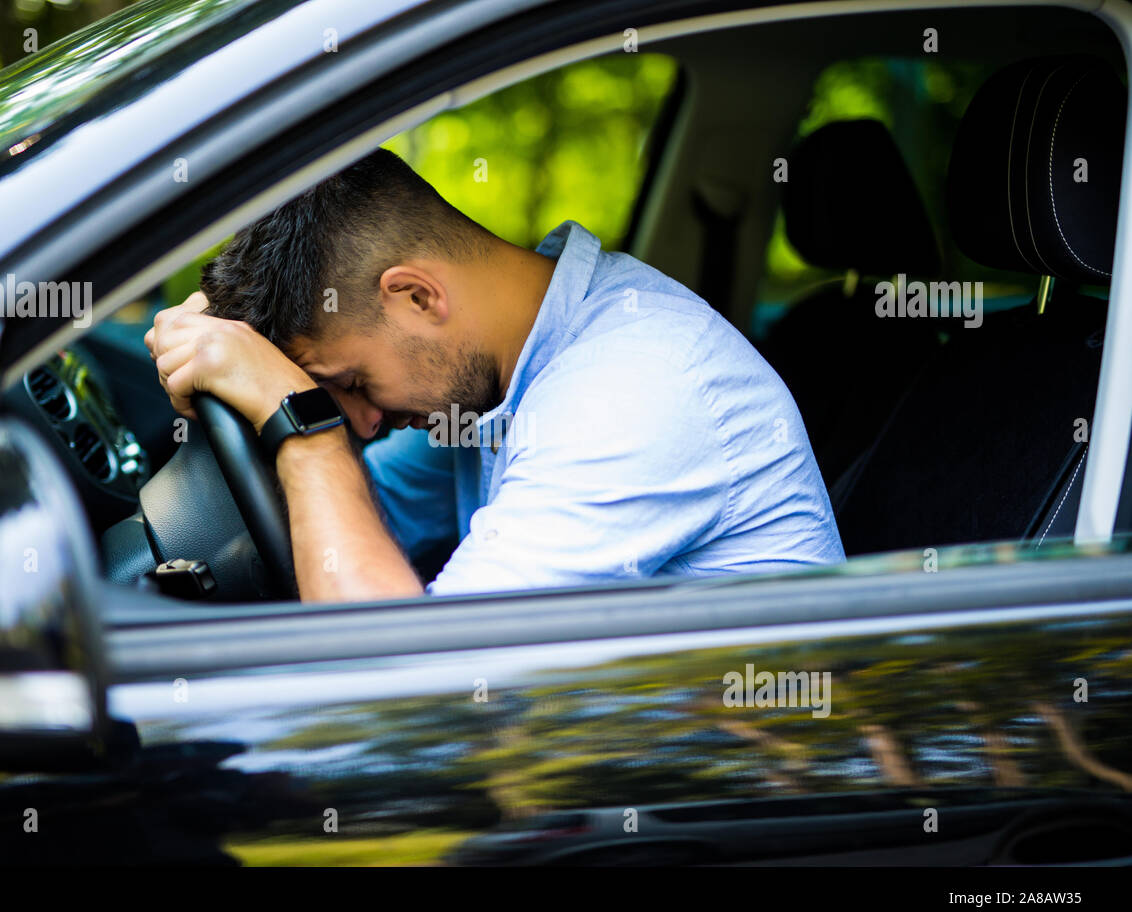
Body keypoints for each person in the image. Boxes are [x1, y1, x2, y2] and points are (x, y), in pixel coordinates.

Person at [145, 148, 843, 602]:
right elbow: (361, 512)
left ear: (417, 297)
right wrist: (228, 341)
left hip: (743, 810)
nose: (361, 421)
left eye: (352, 383)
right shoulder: (506, 370)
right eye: (335, 396)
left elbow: (409, 695)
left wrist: (304, 426)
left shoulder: (635, 390)